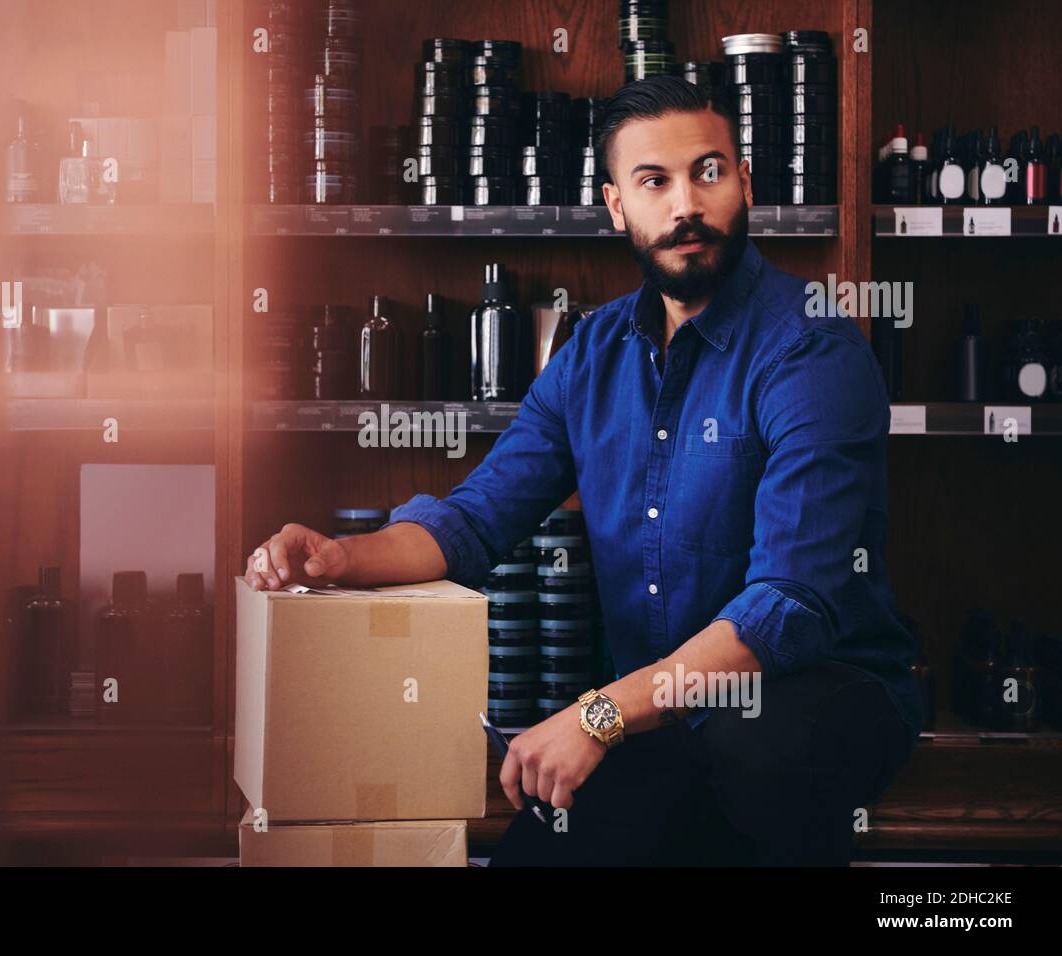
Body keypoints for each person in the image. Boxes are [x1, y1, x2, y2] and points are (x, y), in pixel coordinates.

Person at [245, 76, 922, 866]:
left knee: (752, 750)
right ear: (614, 206)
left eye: (708, 172)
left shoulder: (811, 348)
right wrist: (339, 558)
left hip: (820, 697)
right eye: (653, 181)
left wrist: (597, 715)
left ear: (745, 181)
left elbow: (788, 605)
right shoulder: (593, 353)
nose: (685, 207)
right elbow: (477, 518)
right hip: (661, 716)